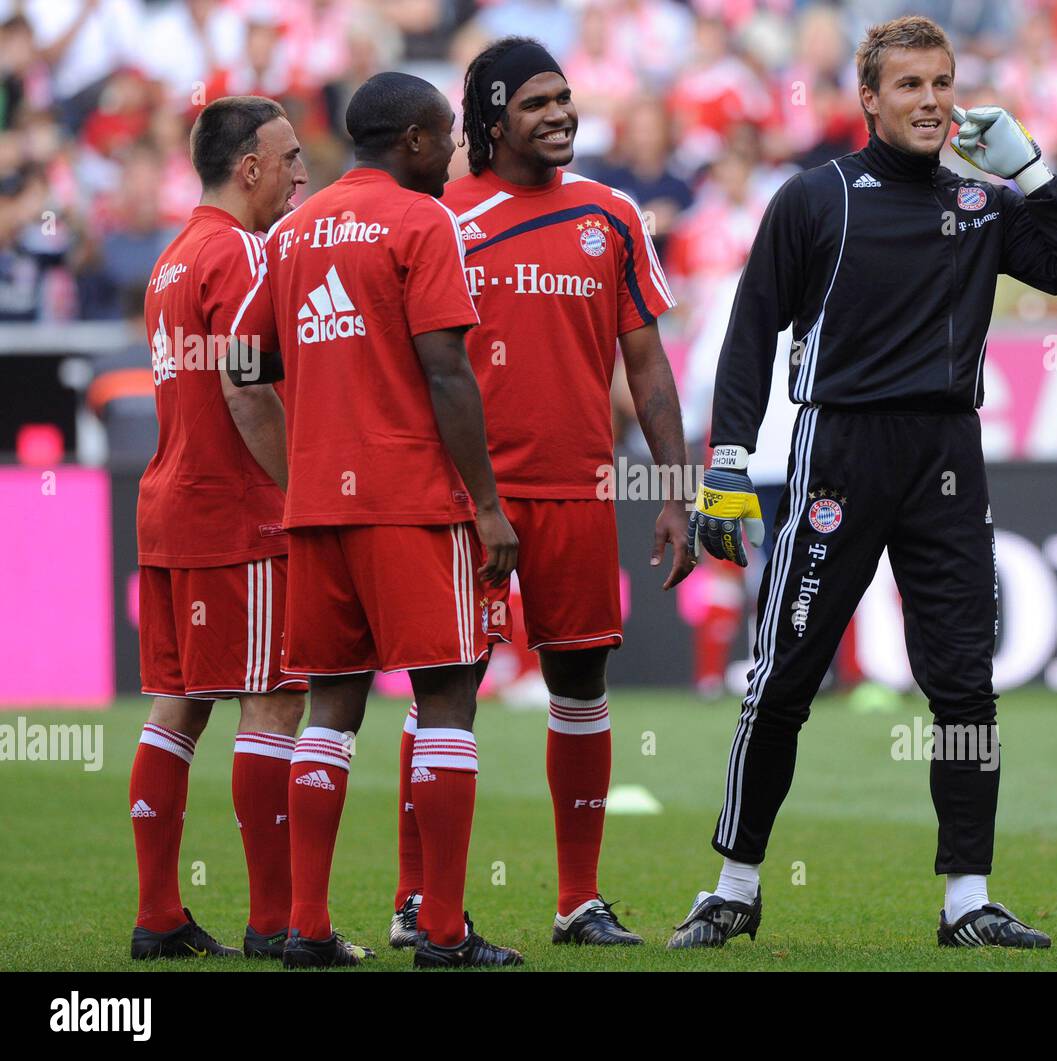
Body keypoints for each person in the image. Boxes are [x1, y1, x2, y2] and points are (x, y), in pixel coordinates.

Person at [675, 15, 1057, 951]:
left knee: (965, 689)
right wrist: (725, 462)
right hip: (838, 451)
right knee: (785, 676)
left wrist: (1030, 167)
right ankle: (735, 884)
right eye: (909, 85)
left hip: (948, 460)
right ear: (869, 99)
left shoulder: (984, 203)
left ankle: (968, 898)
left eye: (942, 83)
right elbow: (751, 330)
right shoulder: (815, 199)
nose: (930, 101)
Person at [389, 36, 691, 950]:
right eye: (535, 103)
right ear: (488, 118)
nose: (560, 113)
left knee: (581, 683)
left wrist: (675, 486)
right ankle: (417, 902)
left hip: (580, 489)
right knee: (446, 693)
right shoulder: (438, 216)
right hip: (465, 496)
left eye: (564, 97)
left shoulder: (610, 214)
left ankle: (578, 899)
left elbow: (648, 363)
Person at [229, 71, 521, 969]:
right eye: (448, 139)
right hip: (408, 502)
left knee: (330, 706)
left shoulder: (293, 231)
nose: (456, 156)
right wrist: (486, 502)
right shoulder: (422, 220)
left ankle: (306, 928)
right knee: (446, 698)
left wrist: (307, 440)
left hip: (318, 505)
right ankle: (441, 931)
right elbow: (446, 371)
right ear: (417, 142)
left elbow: (246, 355)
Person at [130, 95, 307, 961]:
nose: (301, 173)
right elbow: (246, 386)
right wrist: (302, 489)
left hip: (168, 508)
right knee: (274, 698)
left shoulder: (172, 256)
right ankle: (274, 919)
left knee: (179, 706)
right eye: (290, 158)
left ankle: (159, 913)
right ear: (249, 168)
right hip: (235, 511)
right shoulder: (240, 250)